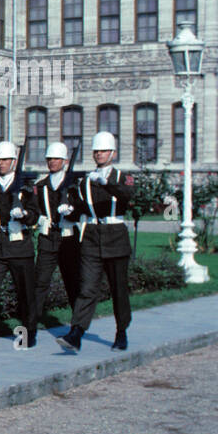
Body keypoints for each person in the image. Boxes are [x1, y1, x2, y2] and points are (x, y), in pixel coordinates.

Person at [57, 130, 133, 352]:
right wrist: (69, 210)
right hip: (91, 237)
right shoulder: (86, 181)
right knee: (87, 287)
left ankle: (121, 332)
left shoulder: (121, 177)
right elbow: (82, 208)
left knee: (118, 289)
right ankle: (76, 332)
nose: (99, 154)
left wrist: (107, 182)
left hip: (115, 236)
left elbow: (128, 195)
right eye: (97, 151)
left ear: (113, 153)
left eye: (104, 151)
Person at [0, 140, 39, 349]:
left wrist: (24, 214)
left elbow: (35, 216)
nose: (0, 163)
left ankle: (27, 334)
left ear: (14, 162)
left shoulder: (25, 188)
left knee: (25, 293)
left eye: (4, 160)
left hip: (20, 245)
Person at [33, 141, 82, 326]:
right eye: (50, 158)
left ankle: (77, 325)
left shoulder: (73, 185)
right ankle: (31, 326)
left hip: (68, 238)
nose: (52, 162)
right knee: (40, 283)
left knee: (72, 282)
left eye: (56, 158)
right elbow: (34, 210)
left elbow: (81, 209)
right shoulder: (41, 185)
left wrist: (72, 211)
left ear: (65, 161)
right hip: (47, 238)